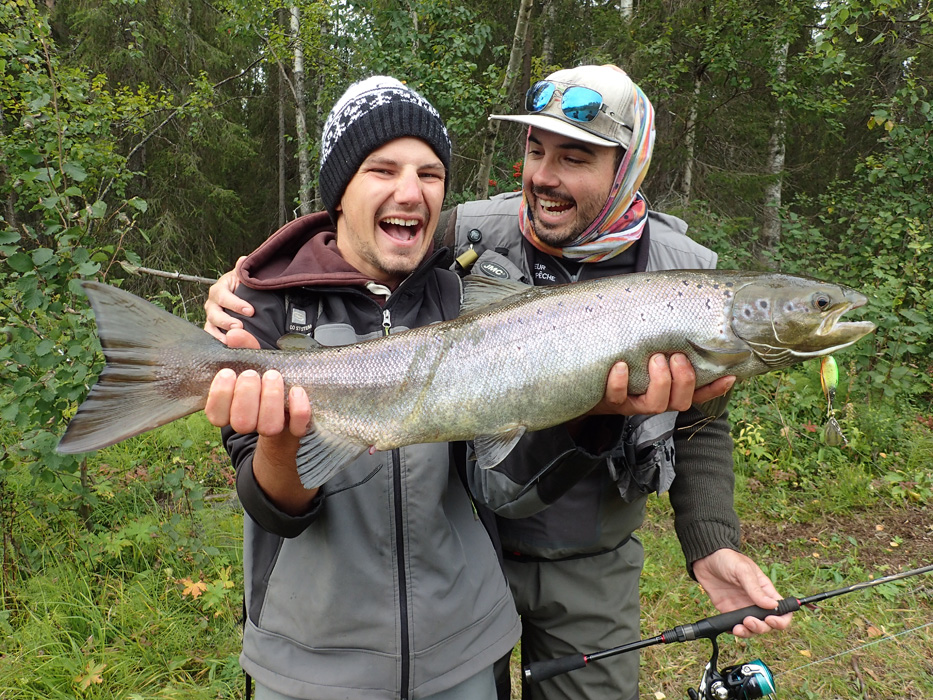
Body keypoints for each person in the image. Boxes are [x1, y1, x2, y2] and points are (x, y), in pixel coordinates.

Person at [206, 67, 790, 700]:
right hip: (466, 557)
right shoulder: (465, 234)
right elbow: (350, 240)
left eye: (575, 157)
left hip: (580, 555)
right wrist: (251, 279)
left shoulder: (688, 274)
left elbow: (702, 416)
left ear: (626, 169)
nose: (544, 176)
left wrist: (709, 543)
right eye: (535, 151)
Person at [202, 76, 524, 700]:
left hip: (464, 654)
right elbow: (273, 509)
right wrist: (279, 444)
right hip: (308, 669)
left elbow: (501, 482)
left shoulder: (474, 299)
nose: (411, 191)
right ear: (340, 193)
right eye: (383, 169)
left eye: (430, 174)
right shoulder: (260, 310)